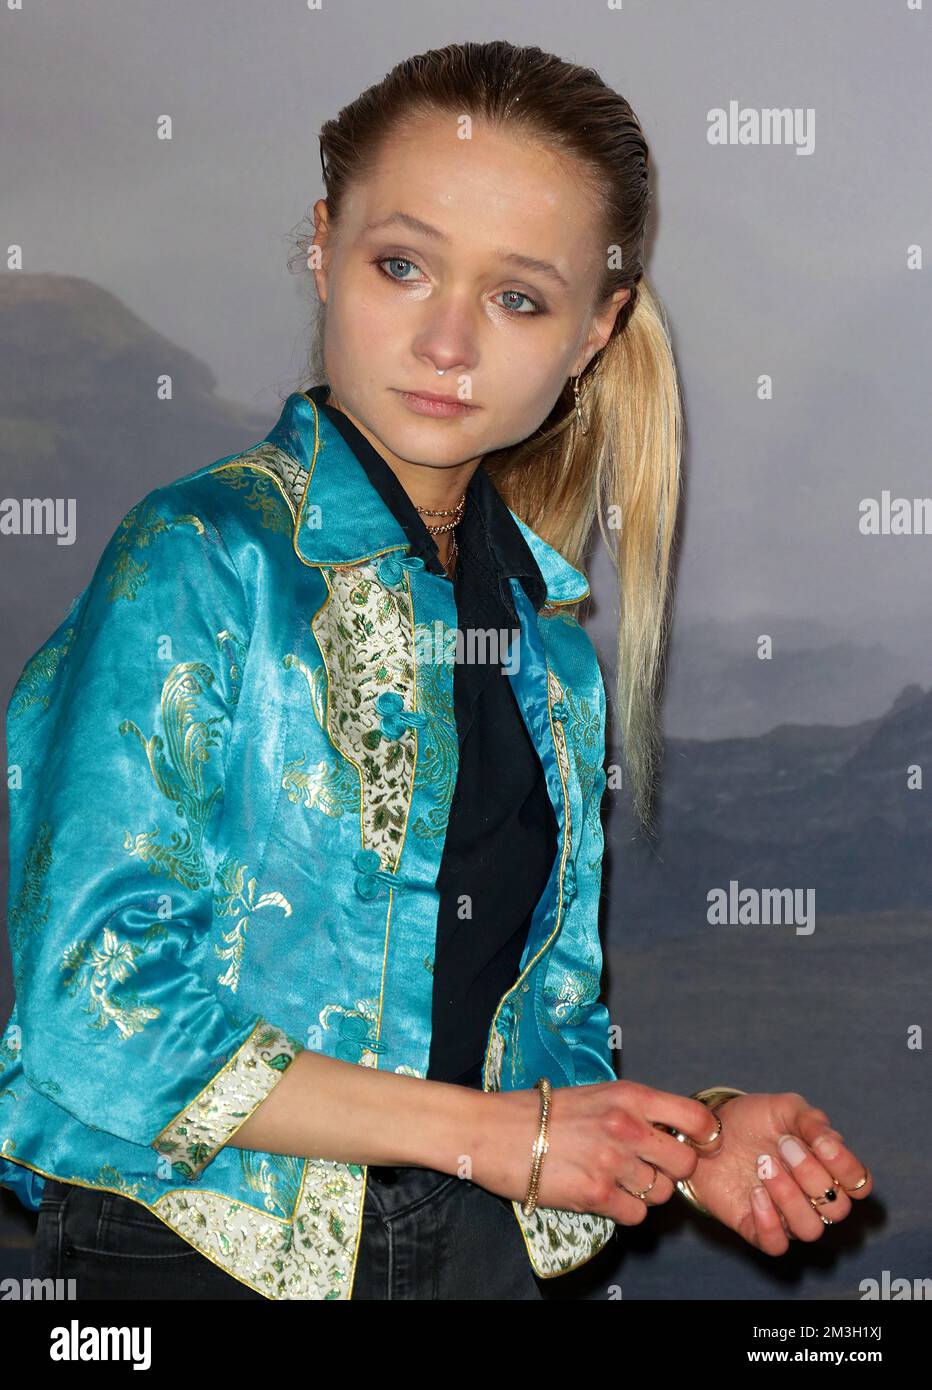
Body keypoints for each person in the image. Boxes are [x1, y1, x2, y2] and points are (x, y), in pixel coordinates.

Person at [0, 40, 871, 1301]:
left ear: (596, 328)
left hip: (474, 1254)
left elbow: (525, 1038)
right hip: (187, 1257)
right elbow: (95, 1005)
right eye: (399, 265)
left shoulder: (543, 632)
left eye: (519, 297)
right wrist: (491, 1136)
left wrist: (691, 1141)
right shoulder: (202, 554)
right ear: (321, 245)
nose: (447, 339)